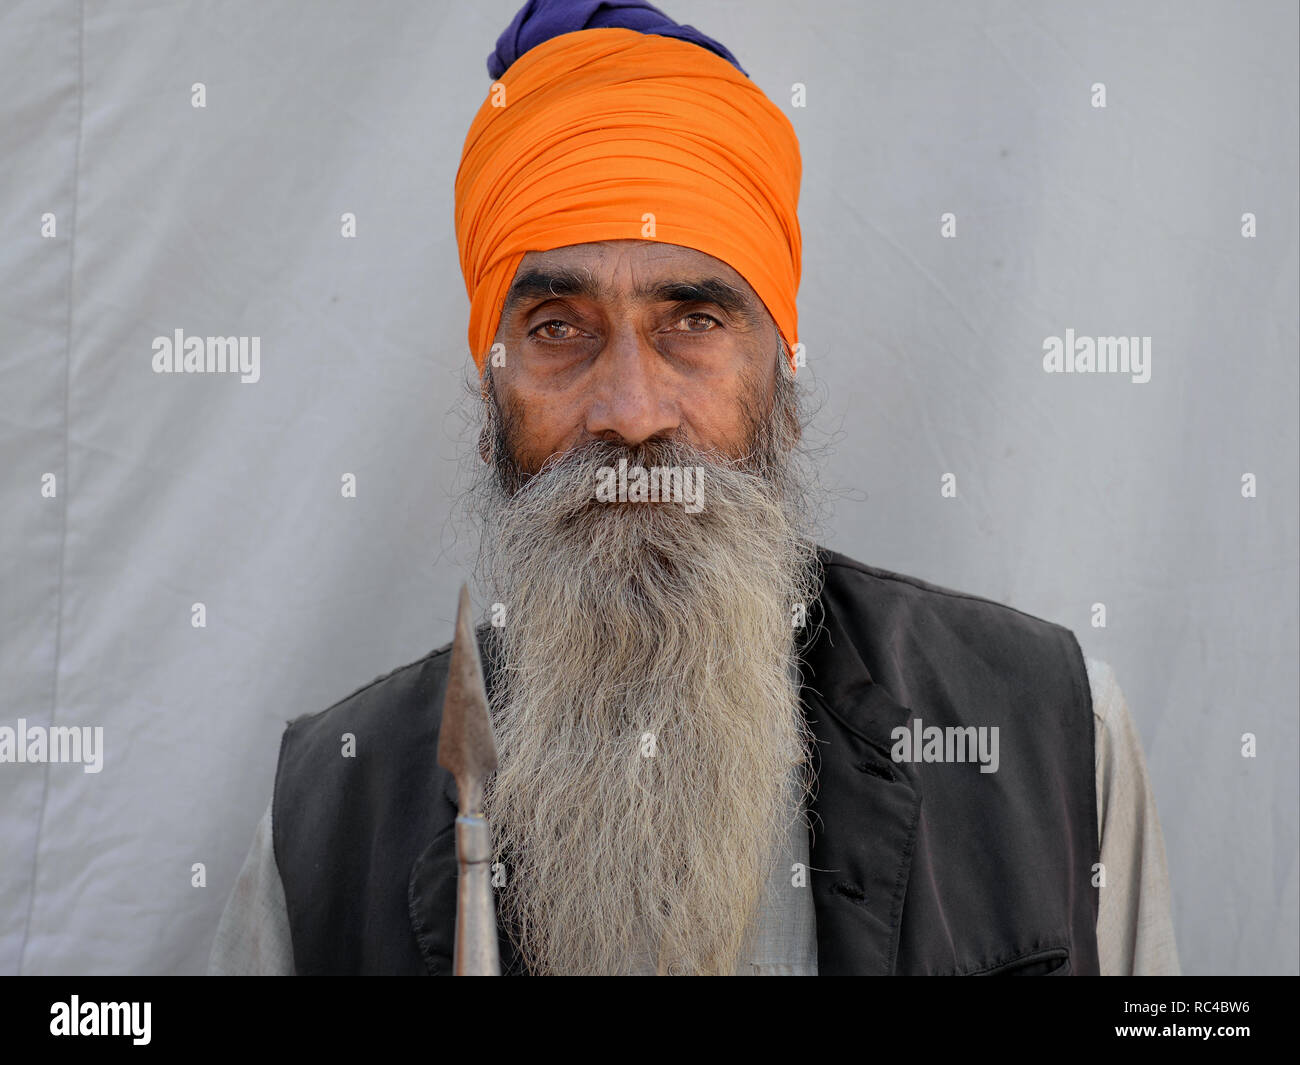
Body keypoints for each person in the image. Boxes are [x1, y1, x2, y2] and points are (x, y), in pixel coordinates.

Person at [209, 0, 1179, 976]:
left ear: (778, 384)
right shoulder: (329, 810)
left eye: (694, 321)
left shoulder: (1052, 736)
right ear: (491, 396)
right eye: (557, 328)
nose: (630, 412)